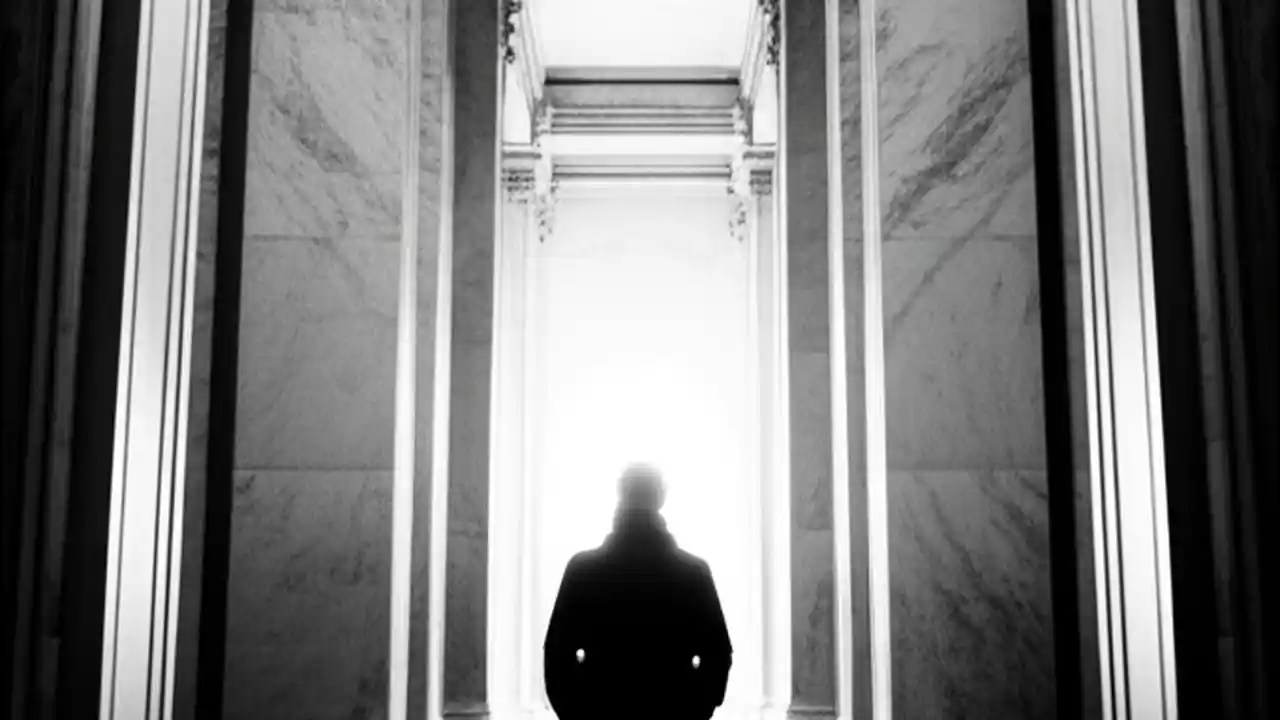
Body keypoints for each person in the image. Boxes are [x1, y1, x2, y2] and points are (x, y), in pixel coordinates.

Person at [543, 464, 732, 720]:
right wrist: (695, 710)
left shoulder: (583, 569)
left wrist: (577, 713)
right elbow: (717, 654)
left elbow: (557, 655)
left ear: (620, 492)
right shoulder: (693, 571)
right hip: (674, 710)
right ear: (662, 496)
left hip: (600, 710)